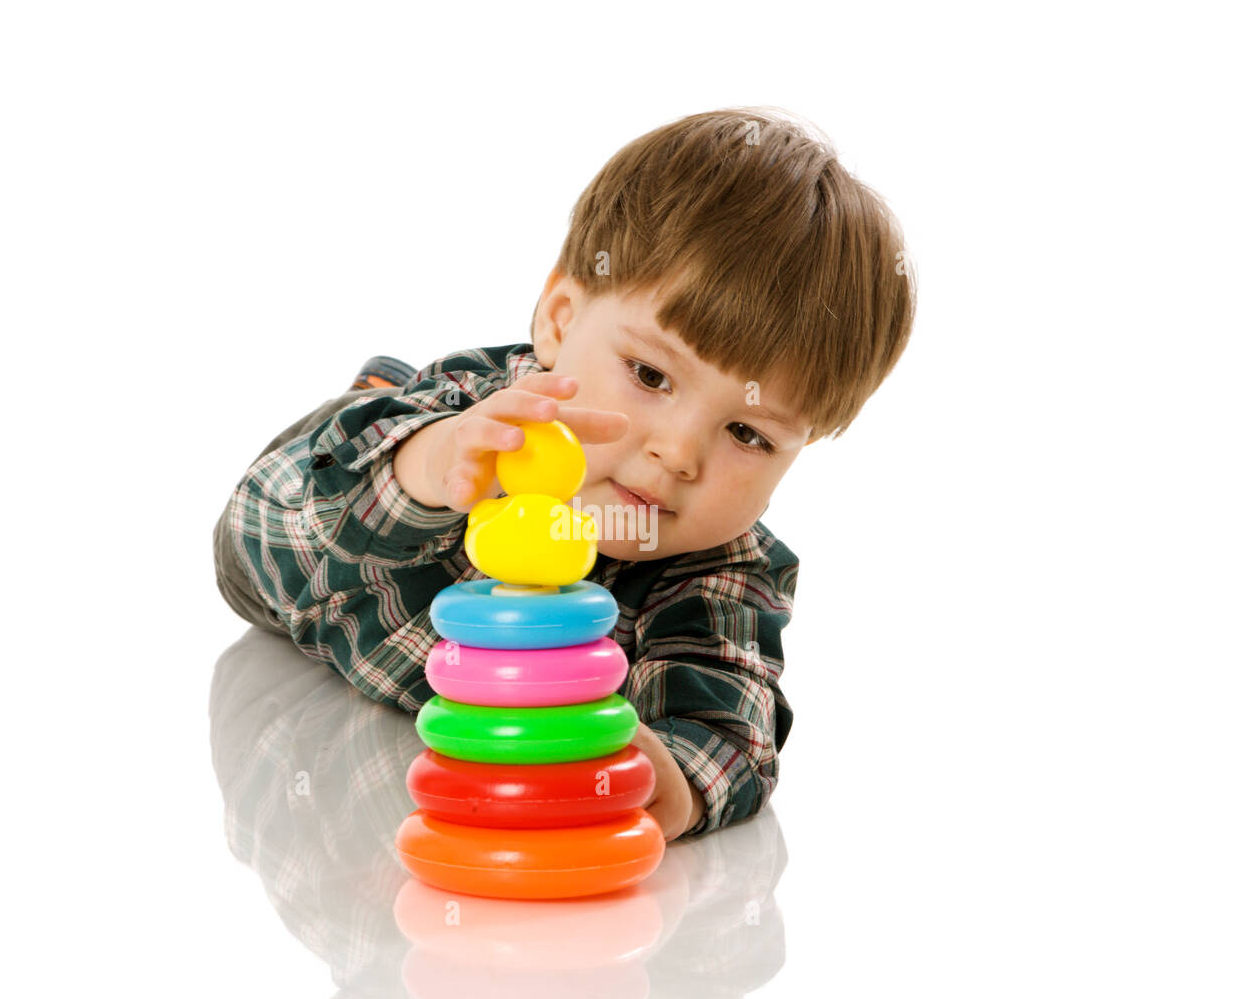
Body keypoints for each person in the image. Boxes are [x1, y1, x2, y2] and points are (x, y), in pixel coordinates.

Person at [213, 107, 916, 840]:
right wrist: (423, 467)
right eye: (650, 374)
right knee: (352, 460)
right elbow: (252, 542)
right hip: (324, 520)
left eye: (747, 431)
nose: (678, 453)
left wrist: (670, 777)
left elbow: (731, 723)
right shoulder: (481, 429)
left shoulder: (721, 570)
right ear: (560, 319)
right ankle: (383, 400)